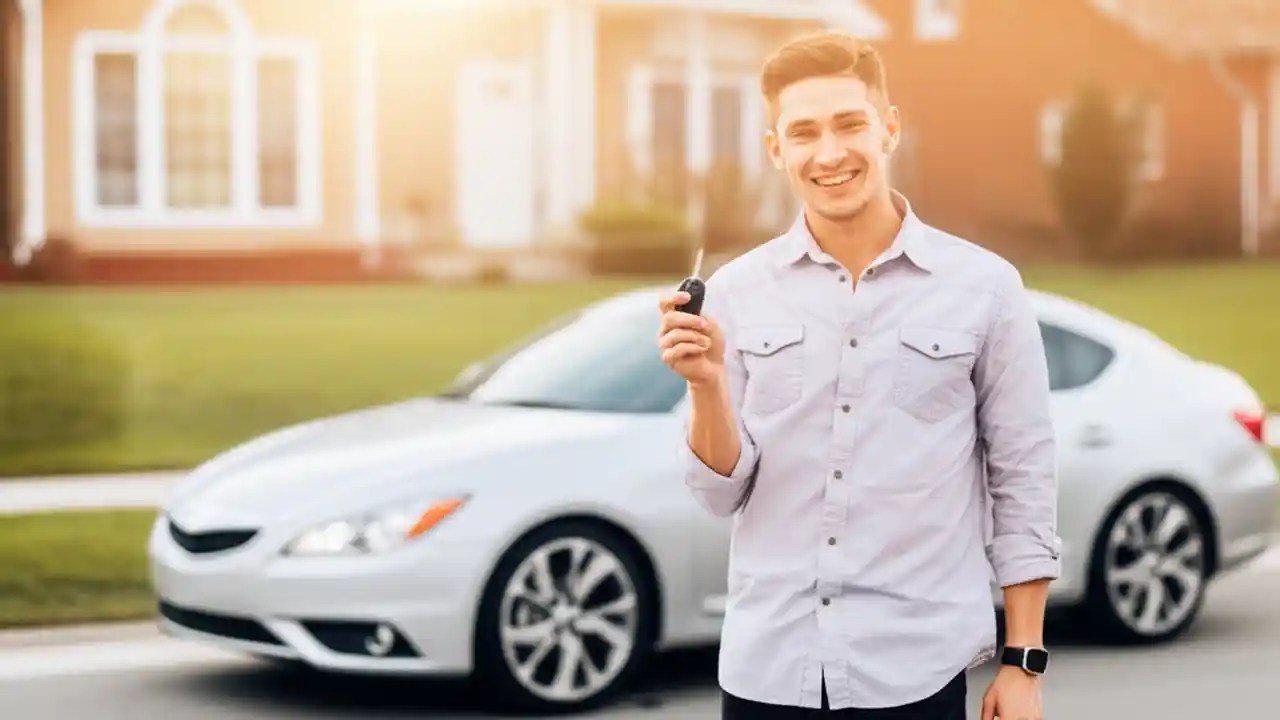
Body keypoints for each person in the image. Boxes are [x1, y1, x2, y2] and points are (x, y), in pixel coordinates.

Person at [657, 30, 1060, 720]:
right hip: (768, 673)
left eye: (850, 124)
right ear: (777, 149)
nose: (830, 152)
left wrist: (1023, 662)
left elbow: (1023, 476)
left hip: (912, 673)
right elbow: (721, 493)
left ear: (889, 128)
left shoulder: (985, 288)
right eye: (805, 132)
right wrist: (706, 385)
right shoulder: (737, 290)